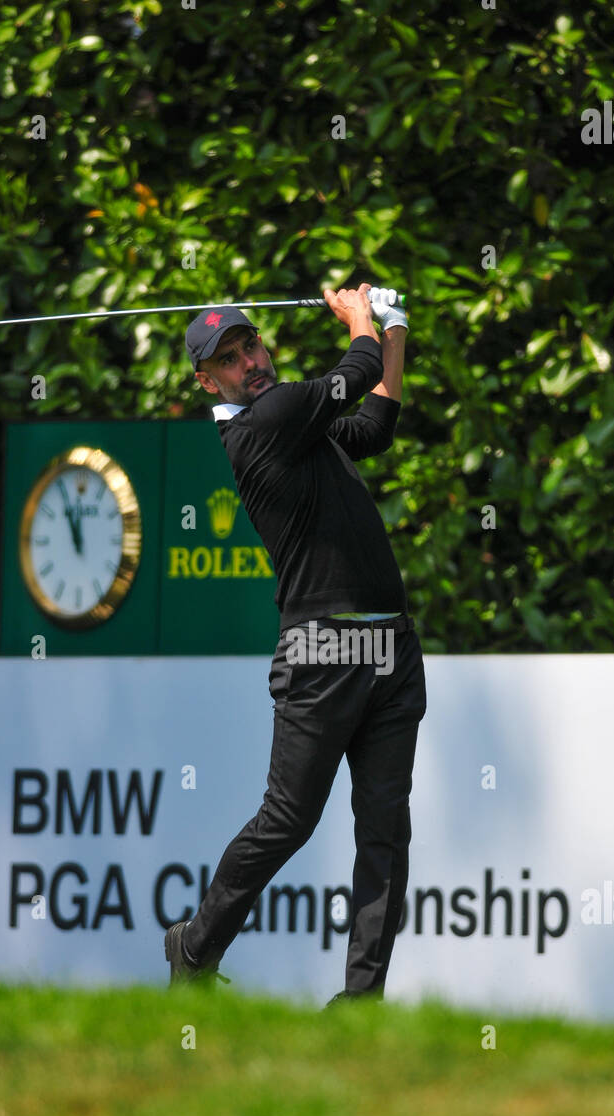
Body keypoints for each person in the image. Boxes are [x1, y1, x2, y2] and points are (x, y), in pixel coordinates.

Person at [164, 282, 426, 1006]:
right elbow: (353, 372)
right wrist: (360, 317)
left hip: (390, 650)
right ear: (206, 381)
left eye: (250, 343)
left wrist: (394, 332)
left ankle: (359, 1004)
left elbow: (372, 427)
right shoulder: (262, 423)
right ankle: (193, 947)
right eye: (229, 357)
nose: (250, 359)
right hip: (323, 653)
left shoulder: (294, 423)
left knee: (384, 832)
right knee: (288, 820)